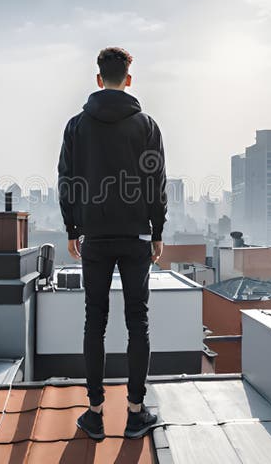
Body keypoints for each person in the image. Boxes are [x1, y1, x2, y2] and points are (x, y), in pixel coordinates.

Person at [58, 47, 167, 440]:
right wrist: (156, 232)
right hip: (136, 235)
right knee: (137, 321)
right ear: (129, 79)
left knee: (95, 321)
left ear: (99, 79)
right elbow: (157, 183)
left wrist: (73, 229)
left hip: (96, 237)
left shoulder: (76, 126)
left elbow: (66, 180)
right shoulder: (147, 125)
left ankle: (95, 414)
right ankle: (136, 414)